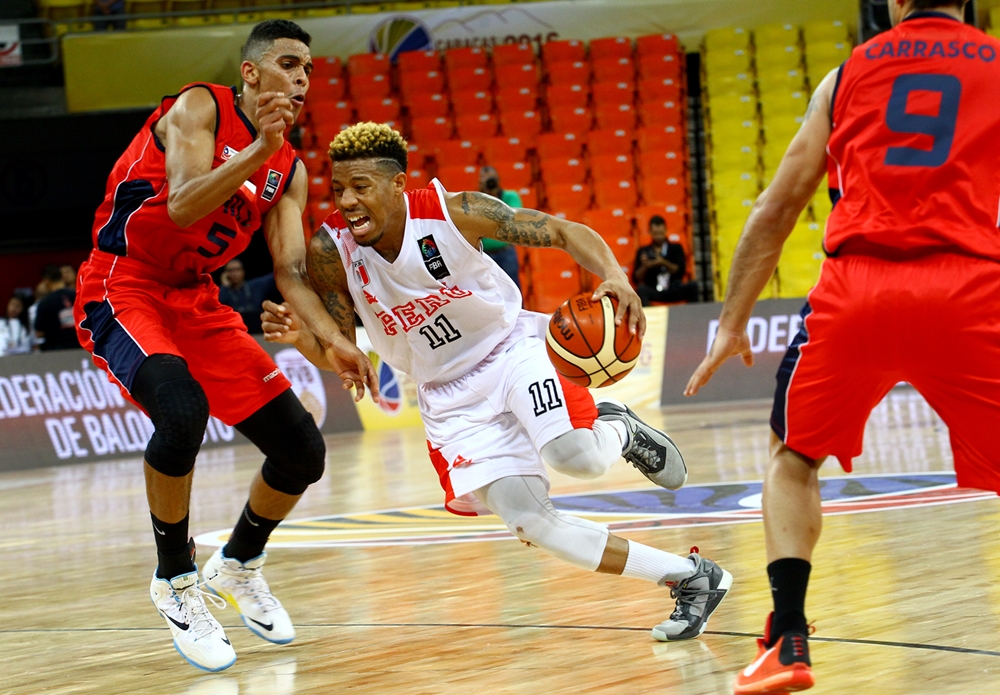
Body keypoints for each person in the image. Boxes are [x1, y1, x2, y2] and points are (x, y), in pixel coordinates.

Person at [262, 123, 733, 643]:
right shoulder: (332, 253)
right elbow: (345, 356)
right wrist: (304, 343)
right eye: (339, 189)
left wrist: (616, 276)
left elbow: (560, 230)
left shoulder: (453, 212)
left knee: (578, 457)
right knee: (532, 524)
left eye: (361, 187)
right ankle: (693, 579)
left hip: (513, 352)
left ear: (398, 186)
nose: (347, 201)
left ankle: (618, 429)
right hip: (447, 399)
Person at [685, 2, 1000, 692]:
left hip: (858, 286)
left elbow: (776, 208)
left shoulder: (846, 74)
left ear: (892, 3)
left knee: (792, 457)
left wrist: (733, 321)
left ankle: (788, 638)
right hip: (969, 287)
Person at [72, 20, 377, 672]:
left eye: (308, 70)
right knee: (182, 412)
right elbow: (183, 204)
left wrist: (332, 338)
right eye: (289, 64)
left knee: (303, 450)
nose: (301, 79)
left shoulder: (288, 168)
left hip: (197, 300)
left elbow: (291, 272)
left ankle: (237, 562)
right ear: (251, 72)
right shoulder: (199, 105)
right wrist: (257, 147)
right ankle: (175, 578)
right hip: (124, 282)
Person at [631, 215, 699, 305]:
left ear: (665, 231)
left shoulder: (676, 248)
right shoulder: (644, 251)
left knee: (693, 286)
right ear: (650, 232)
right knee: (641, 290)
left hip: (673, 288)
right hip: (654, 289)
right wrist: (645, 266)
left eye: (661, 233)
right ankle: (648, 318)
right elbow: (636, 278)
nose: (658, 236)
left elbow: (680, 271)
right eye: (655, 234)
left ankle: (693, 316)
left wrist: (663, 263)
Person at [478, 165, 522, 289]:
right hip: (484, 255)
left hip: (506, 252)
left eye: (491, 177)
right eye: (485, 178)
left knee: (513, 289)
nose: (489, 181)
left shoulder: (510, 196)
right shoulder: (475, 200)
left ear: (498, 178)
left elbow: (513, 219)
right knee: (490, 292)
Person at [218, 257, 278, 334]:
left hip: (258, 331)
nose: (234, 273)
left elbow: (275, 275)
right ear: (226, 274)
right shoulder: (222, 292)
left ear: (243, 272)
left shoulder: (255, 286)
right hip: (234, 332)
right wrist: (224, 286)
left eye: (237, 270)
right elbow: (215, 304)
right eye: (230, 271)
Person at [34, 264, 80, 351]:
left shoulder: (45, 303)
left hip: (57, 351)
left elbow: (39, 332)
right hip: (81, 346)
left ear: (46, 281)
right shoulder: (78, 295)